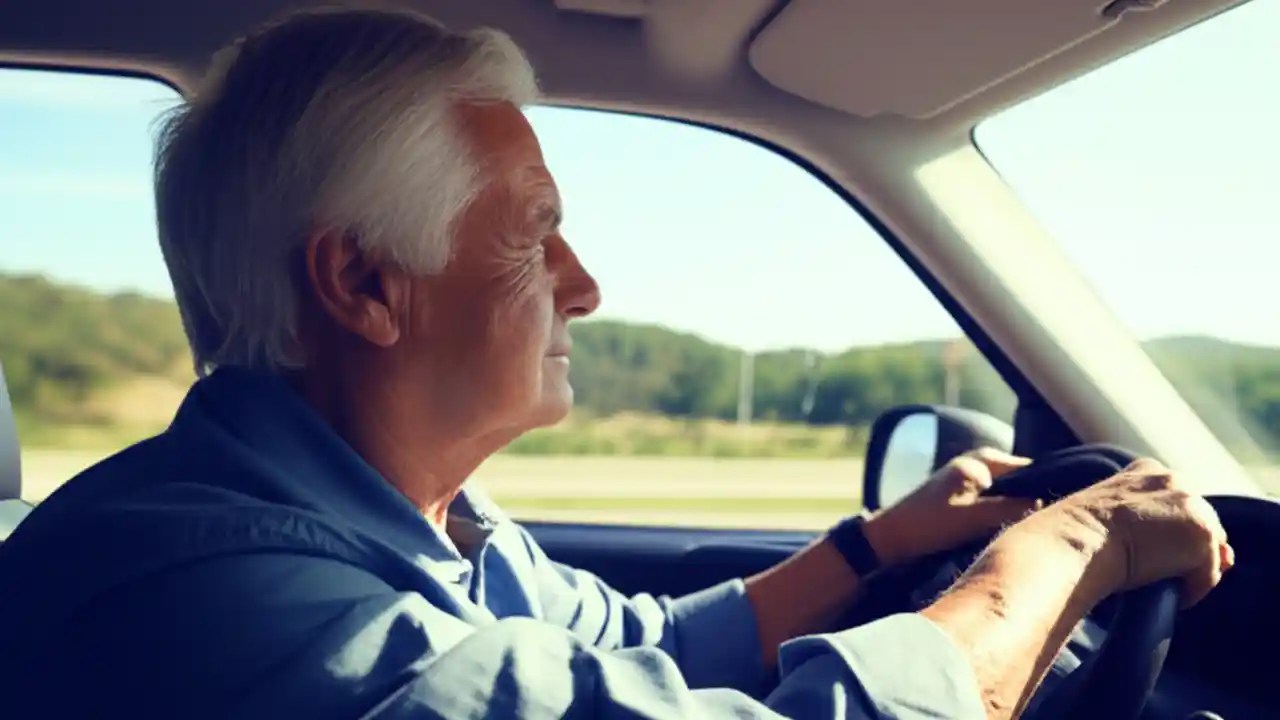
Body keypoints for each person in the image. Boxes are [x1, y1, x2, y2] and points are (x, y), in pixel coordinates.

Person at [0, 8, 1232, 719]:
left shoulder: (432, 524)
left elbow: (644, 652)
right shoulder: (211, 598)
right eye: (535, 234)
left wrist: (883, 545)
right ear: (365, 284)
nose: (583, 287)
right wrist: (1067, 550)